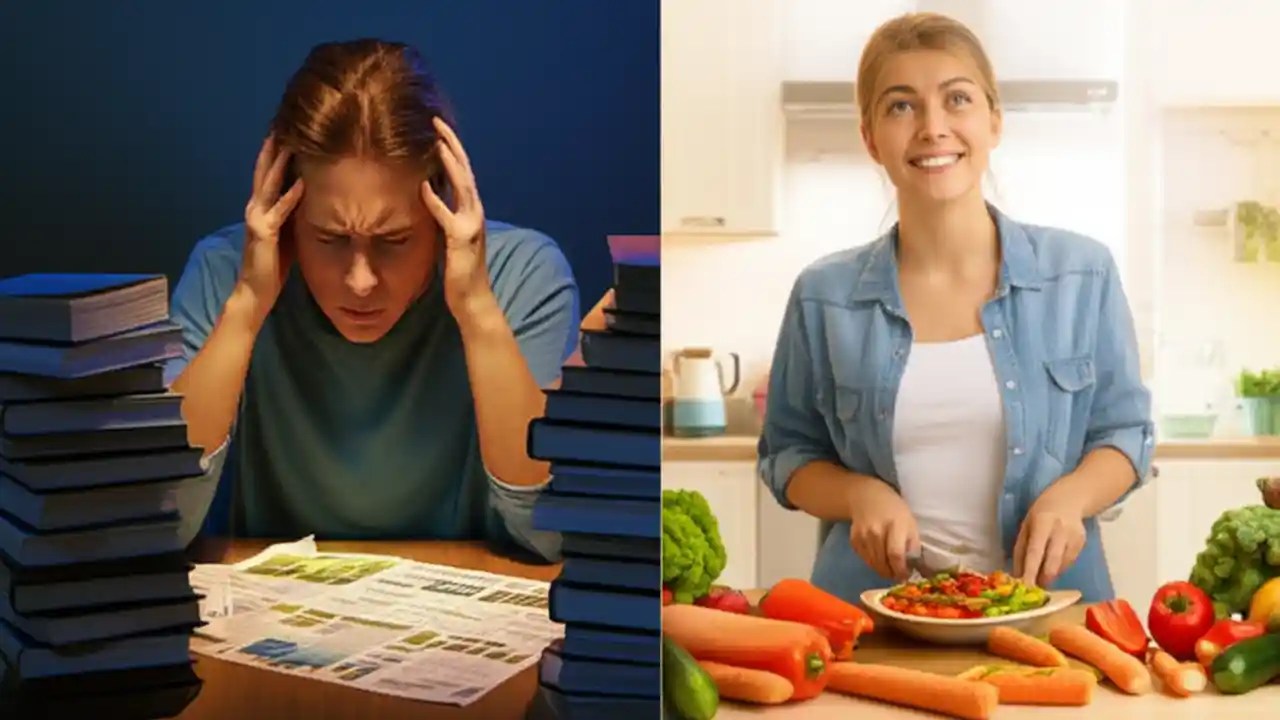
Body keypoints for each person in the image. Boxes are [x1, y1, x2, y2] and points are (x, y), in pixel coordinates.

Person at [757, 13, 1154, 604]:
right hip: (873, 625)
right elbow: (787, 454)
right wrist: (859, 495)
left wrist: (1071, 498)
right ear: (870, 138)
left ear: (994, 121)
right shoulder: (823, 295)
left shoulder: (1082, 273)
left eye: (957, 99)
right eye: (901, 106)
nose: (932, 127)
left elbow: (1126, 433)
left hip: (1053, 619)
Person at [168, 39, 585, 562]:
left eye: (394, 240)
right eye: (329, 238)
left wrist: (477, 308)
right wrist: (248, 304)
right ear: (286, 213)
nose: (360, 280)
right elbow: (163, 518)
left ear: (443, 209)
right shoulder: (224, 272)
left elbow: (549, 532)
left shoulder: (524, 275)